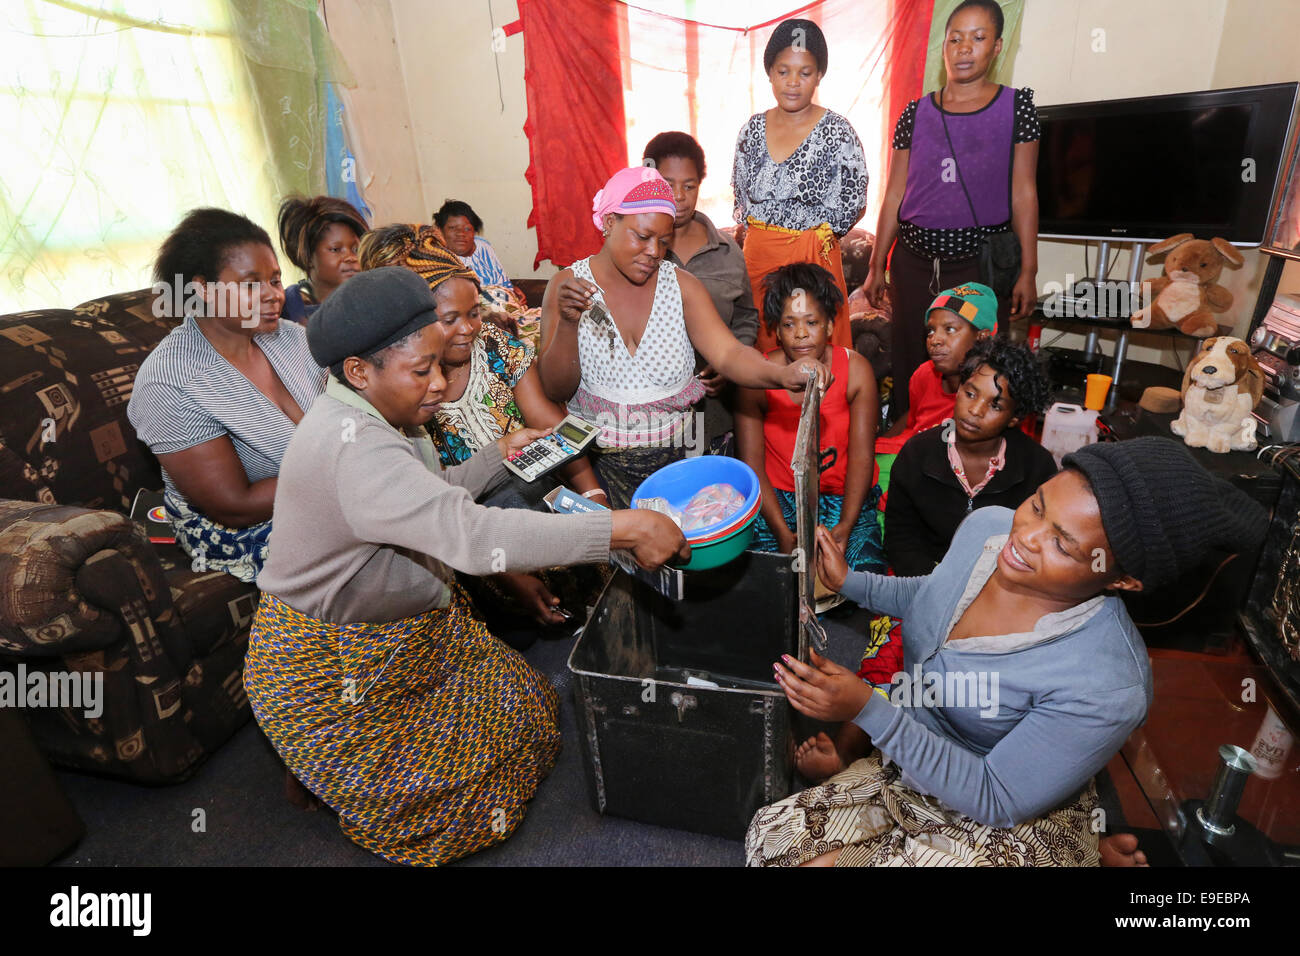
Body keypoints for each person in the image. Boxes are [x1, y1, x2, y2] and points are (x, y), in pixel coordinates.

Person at [246, 267, 687, 867]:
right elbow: (473, 537)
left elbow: (434, 496)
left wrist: (493, 458)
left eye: (442, 366)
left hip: (411, 634)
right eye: (422, 370)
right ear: (359, 371)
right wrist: (623, 530)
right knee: (454, 816)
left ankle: (320, 768)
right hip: (337, 664)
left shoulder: (381, 414)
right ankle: (323, 764)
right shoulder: (354, 447)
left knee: (528, 714)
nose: (439, 385)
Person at [748, 436, 1268, 867]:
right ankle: (1086, 852)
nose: (1025, 537)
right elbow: (934, 593)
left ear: (1123, 579)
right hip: (913, 758)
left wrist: (868, 711)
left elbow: (994, 796)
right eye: (1038, 504)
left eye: (1063, 545)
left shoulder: (1107, 685)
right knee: (771, 842)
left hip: (1002, 801)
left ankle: (1070, 847)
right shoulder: (989, 527)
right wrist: (851, 581)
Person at [360, 222, 609, 632]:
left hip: (540, 497)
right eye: (449, 319)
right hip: (471, 536)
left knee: (593, 571)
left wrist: (592, 492)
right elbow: (438, 513)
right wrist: (509, 578)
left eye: (474, 312)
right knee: (527, 619)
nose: (468, 328)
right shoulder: (404, 391)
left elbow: (550, 424)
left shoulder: (494, 344)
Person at [536, 166, 830, 509]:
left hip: (678, 469)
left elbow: (729, 354)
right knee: (613, 561)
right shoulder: (567, 287)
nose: (654, 252)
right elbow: (555, 390)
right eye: (642, 237)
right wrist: (570, 324)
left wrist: (782, 374)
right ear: (610, 223)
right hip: (597, 471)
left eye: (663, 241)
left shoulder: (681, 286)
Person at [860, 0, 1040, 423]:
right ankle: (909, 441)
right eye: (955, 38)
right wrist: (876, 265)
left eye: (977, 38)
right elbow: (895, 192)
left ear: (997, 47)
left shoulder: (1017, 109)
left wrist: (1029, 270)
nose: (964, 48)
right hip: (913, 262)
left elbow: (1024, 192)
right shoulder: (915, 112)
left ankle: (965, 451)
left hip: (975, 267)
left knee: (973, 365)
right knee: (910, 356)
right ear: (943, 46)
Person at [128, 207, 324, 583]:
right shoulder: (170, 381)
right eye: (252, 283)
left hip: (324, 492)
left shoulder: (292, 338)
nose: (273, 295)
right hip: (234, 530)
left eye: (275, 279)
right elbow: (236, 507)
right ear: (203, 288)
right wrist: (345, 472)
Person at [737, 262, 884, 575]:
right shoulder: (757, 378)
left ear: (830, 326)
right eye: (789, 324)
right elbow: (752, 464)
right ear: (774, 329)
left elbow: (862, 457)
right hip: (778, 500)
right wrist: (781, 532)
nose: (801, 334)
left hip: (843, 496)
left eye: (812, 322)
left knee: (862, 573)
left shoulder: (856, 371)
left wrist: (844, 526)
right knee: (763, 575)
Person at [731, 17, 865, 355]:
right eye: (783, 71)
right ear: (770, 73)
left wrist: (809, 235)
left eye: (805, 73)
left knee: (819, 356)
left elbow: (854, 201)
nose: (793, 82)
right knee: (762, 354)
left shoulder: (838, 131)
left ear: (819, 75)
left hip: (813, 259)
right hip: (759, 258)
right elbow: (742, 196)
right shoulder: (751, 130)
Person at [886, 337, 1057, 576]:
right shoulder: (918, 453)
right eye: (970, 394)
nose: (975, 411)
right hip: (925, 580)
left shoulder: (1036, 467)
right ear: (959, 390)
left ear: (1015, 417)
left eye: (995, 405)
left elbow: (1038, 546)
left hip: (1000, 584)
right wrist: (934, 586)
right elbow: (900, 538)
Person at [643, 131, 758, 453]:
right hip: (650, 418)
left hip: (714, 413)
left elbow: (747, 318)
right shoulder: (637, 250)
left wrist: (730, 362)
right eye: (667, 185)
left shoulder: (726, 250)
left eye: (689, 186)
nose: (679, 196)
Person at [876, 281, 996, 454]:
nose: (935, 340)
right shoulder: (924, 374)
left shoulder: (993, 392)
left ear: (981, 336)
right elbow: (913, 420)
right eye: (931, 331)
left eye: (950, 329)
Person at [276, 195, 367, 323]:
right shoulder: (284, 306)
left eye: (356, 250)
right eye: (336, 249)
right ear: (308, 257)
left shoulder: (369, 301)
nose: (351, 257)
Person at [434, 198, 514, 290]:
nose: (461, 233)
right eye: (452, 228)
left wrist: (512, 292)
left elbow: (502, 281)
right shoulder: (438, 261)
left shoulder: (483, 247)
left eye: (467, 229)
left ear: (474, 232)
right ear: (439, 231)